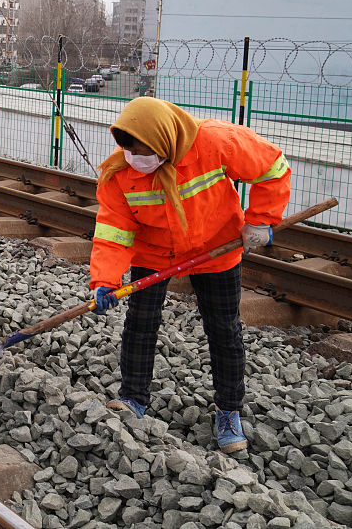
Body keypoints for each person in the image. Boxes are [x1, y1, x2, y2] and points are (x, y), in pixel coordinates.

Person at [88, 97, 290, 453]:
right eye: (131, 151)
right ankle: (133, 399)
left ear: (166, 140)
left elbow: (272, 166)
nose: (138, 160)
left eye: (145, 152)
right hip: (155, 252)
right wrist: (105, 279)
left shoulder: (215, 141)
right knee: (141, 321)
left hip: (217, 247)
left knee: (223, 328)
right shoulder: (118, 174)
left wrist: (261, 218)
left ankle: (228, 411)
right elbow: (113, 231)